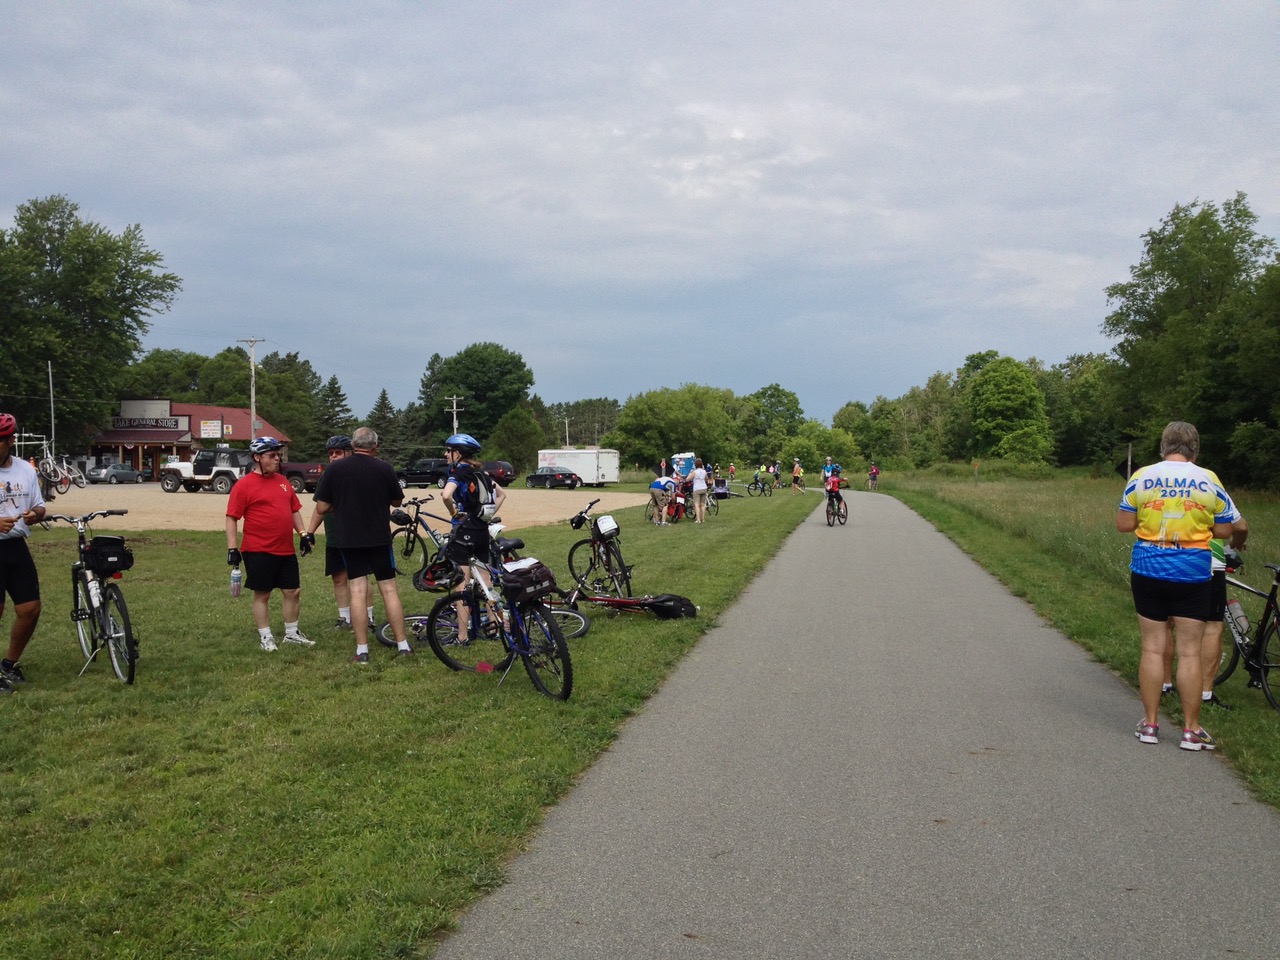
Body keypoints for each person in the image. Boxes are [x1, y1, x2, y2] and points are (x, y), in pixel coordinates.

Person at [1116, 421, 1237, 751]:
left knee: (1153, 648)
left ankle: (1151, 725)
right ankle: (1190, 730)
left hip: (1148, 569)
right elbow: (1226, 529)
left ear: (1162, 447)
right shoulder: (1208, 479)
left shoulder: (1141, 476)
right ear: (1195, 450)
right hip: (1193, 574)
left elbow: (1124, 524)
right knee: (1189, 652)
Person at [308, 426, 411, 663]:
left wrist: (342, 503)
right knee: (389, 589)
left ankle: (362, 650)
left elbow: (321, 507)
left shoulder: (335, 470)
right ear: (375, 446)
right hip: (379, 537)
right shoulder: (385, 468)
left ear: (353, 446)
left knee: (357, 591)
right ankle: (403, 645)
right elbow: (397, 500)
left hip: (349, 539)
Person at [225, 436, 314, 652]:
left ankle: (292, 634)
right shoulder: (244, 485)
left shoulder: (283, 482)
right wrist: (232, 548)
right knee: (262, 594)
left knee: (293, 591)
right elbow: (231, 517)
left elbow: (293, 510)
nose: (277, 459)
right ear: (257, 458)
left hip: (285, 549)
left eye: (278, 454)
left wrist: (303, 534)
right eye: (272, 455)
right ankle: (266, 636)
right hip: (258, 549)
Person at [440, 433, 506, 638]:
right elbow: (503, 494)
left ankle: (462, 636)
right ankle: (495, 628)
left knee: (462, 585)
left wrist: (454, 514)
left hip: (463, 533)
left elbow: (446, 495)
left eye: (448, 451)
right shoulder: (483, 475)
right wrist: (487, 515)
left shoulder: (457, 474)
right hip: (482, 533)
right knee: (486, 583)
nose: (445, 454)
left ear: (457, 454)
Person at [0, 414, 46, 690]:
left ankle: (8, 665)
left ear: (10, 442)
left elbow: (40, 506)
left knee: (30, 609)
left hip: (16, 547)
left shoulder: (26, 471)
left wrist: (34, 515)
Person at [315, 435, 377, 632]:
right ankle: (345, 617)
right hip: (334, 535)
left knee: (360, 578)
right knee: (339, 577)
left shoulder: (357, 472)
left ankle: (368, 616)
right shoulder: (327, 475)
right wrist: (308, 532)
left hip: (356, 534)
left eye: (338, 453)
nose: (333, 457)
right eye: (331, 453)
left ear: (349, 452)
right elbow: (319, 508)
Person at [689, 457, 709, 523]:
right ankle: (703, 519)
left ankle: (698, 519)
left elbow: (688, 479)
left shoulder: (694, 472)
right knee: (703, 504)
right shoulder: (704, 471)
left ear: (695, 465)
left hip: (697, 488)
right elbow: (706, 478)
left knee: (696, 504)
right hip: (704, 488)